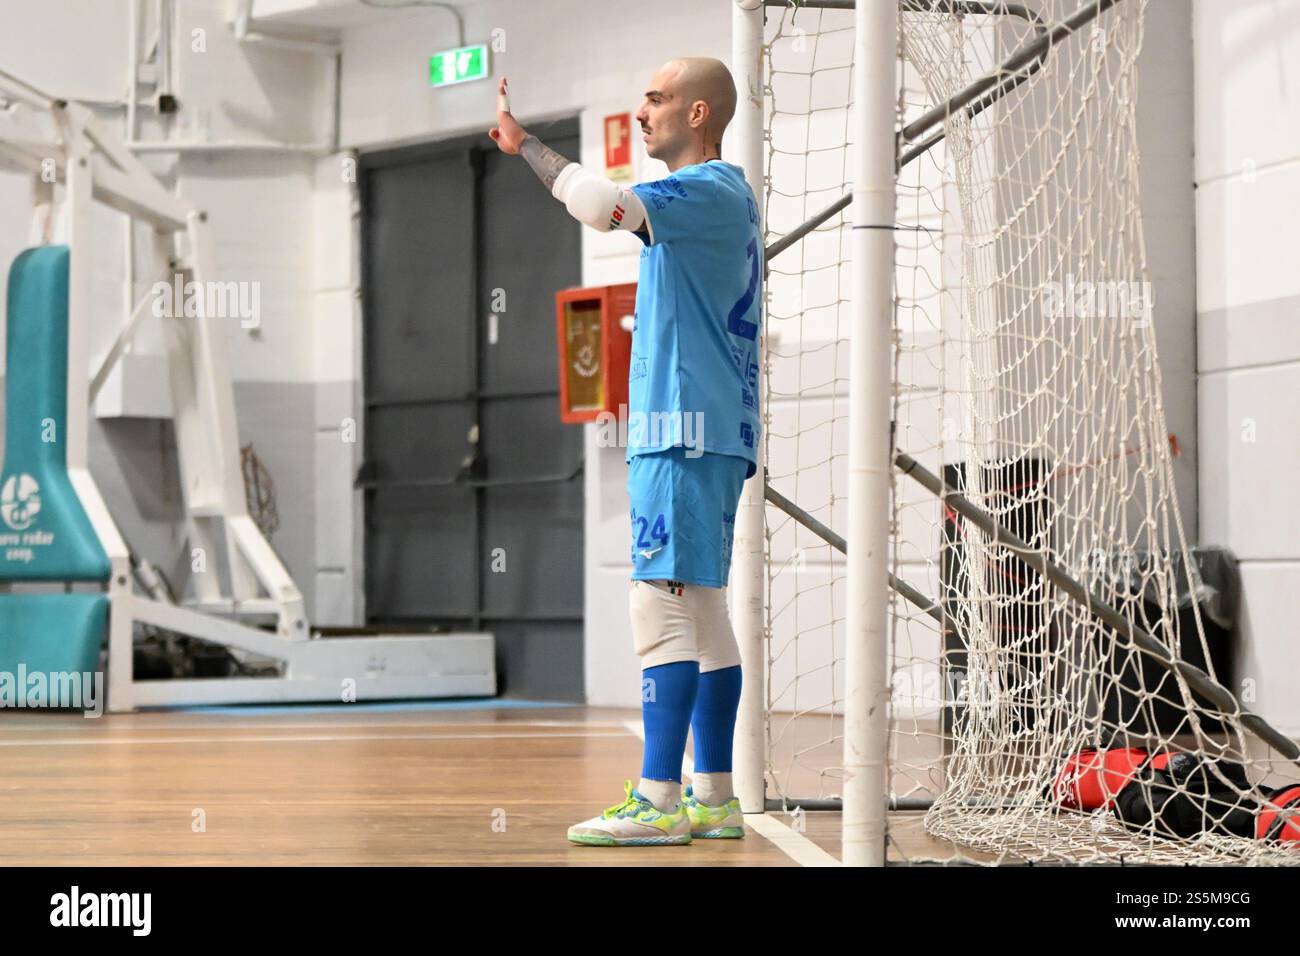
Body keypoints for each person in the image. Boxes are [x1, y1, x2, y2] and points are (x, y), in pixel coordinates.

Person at [488, 56, 761, 846]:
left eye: (657, 97)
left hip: (682, 431)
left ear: (700, 113)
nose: (642, 111)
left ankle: (659, 799)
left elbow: (601, 206)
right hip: (712, 431)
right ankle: (712, 795)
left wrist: (528, 145)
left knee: (660, 605)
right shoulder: (718, 201)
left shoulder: (706, 189)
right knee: (703, 611)